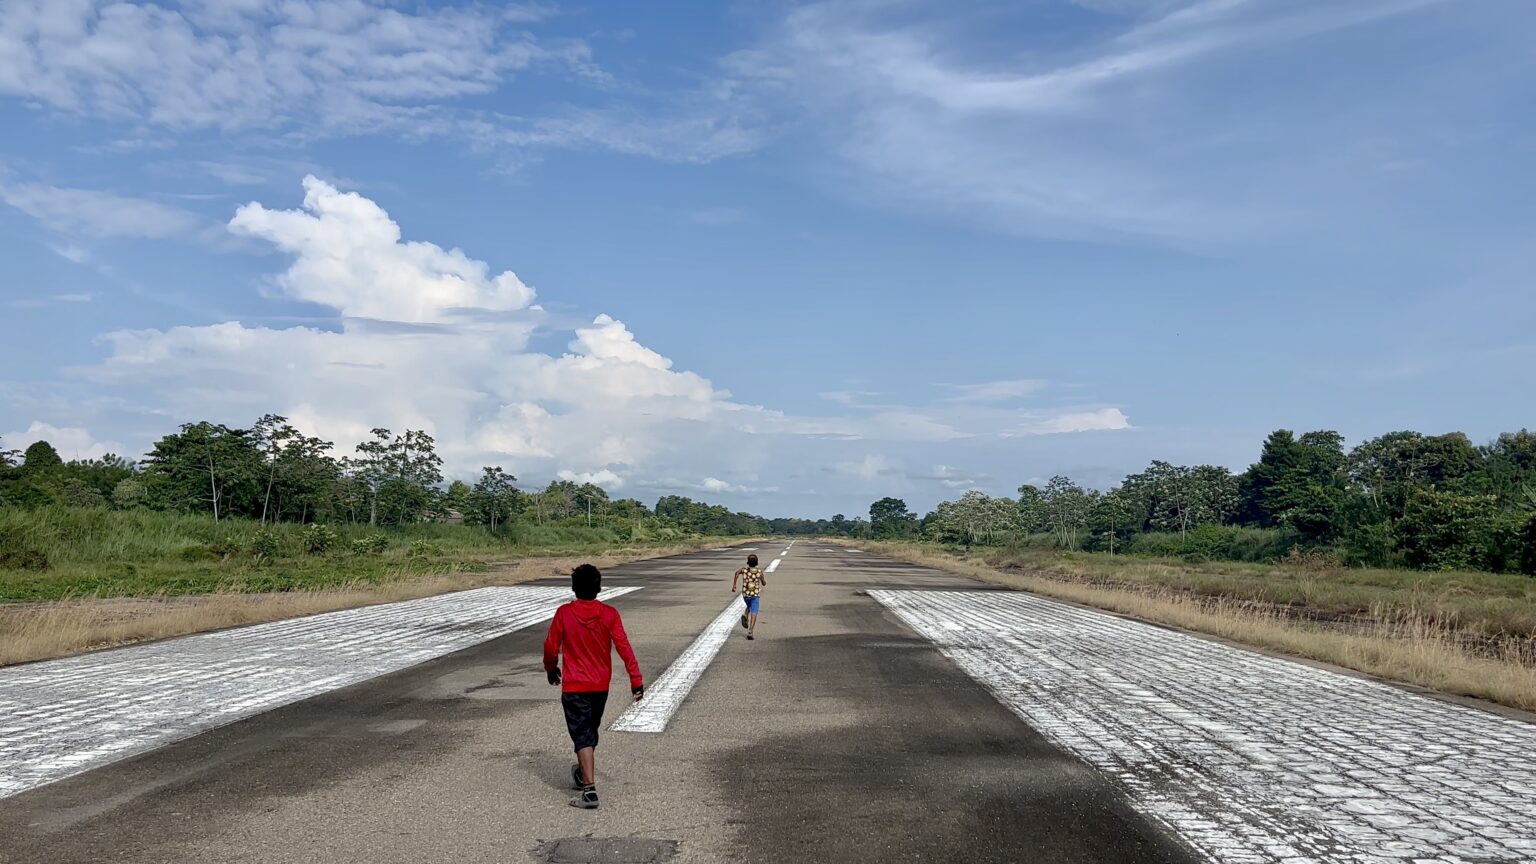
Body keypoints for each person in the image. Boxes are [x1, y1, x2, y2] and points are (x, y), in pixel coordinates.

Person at [543, 563, 643, 810]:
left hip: (575, 685)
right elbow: (623, 647)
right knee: (588, 731)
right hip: (600, 685)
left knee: (583, 734)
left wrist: (550, 669)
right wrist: (636, 680)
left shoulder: (564, 614)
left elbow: (550, 647)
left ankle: (589, 791)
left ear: (574, 587)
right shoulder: (609, 614)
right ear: (599, 588)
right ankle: (582, 772)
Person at [731, 553, 766, 641]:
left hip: (745, 595)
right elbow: (763, 582)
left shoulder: (744, 570)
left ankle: (746, 615)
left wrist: (734, 585)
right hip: (755, 595)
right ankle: (750, 631)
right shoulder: (759, 572)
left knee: (749, 606)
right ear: (757, 562)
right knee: (754, 612)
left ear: (748, 562)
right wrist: (763, 581)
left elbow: (737, 572)